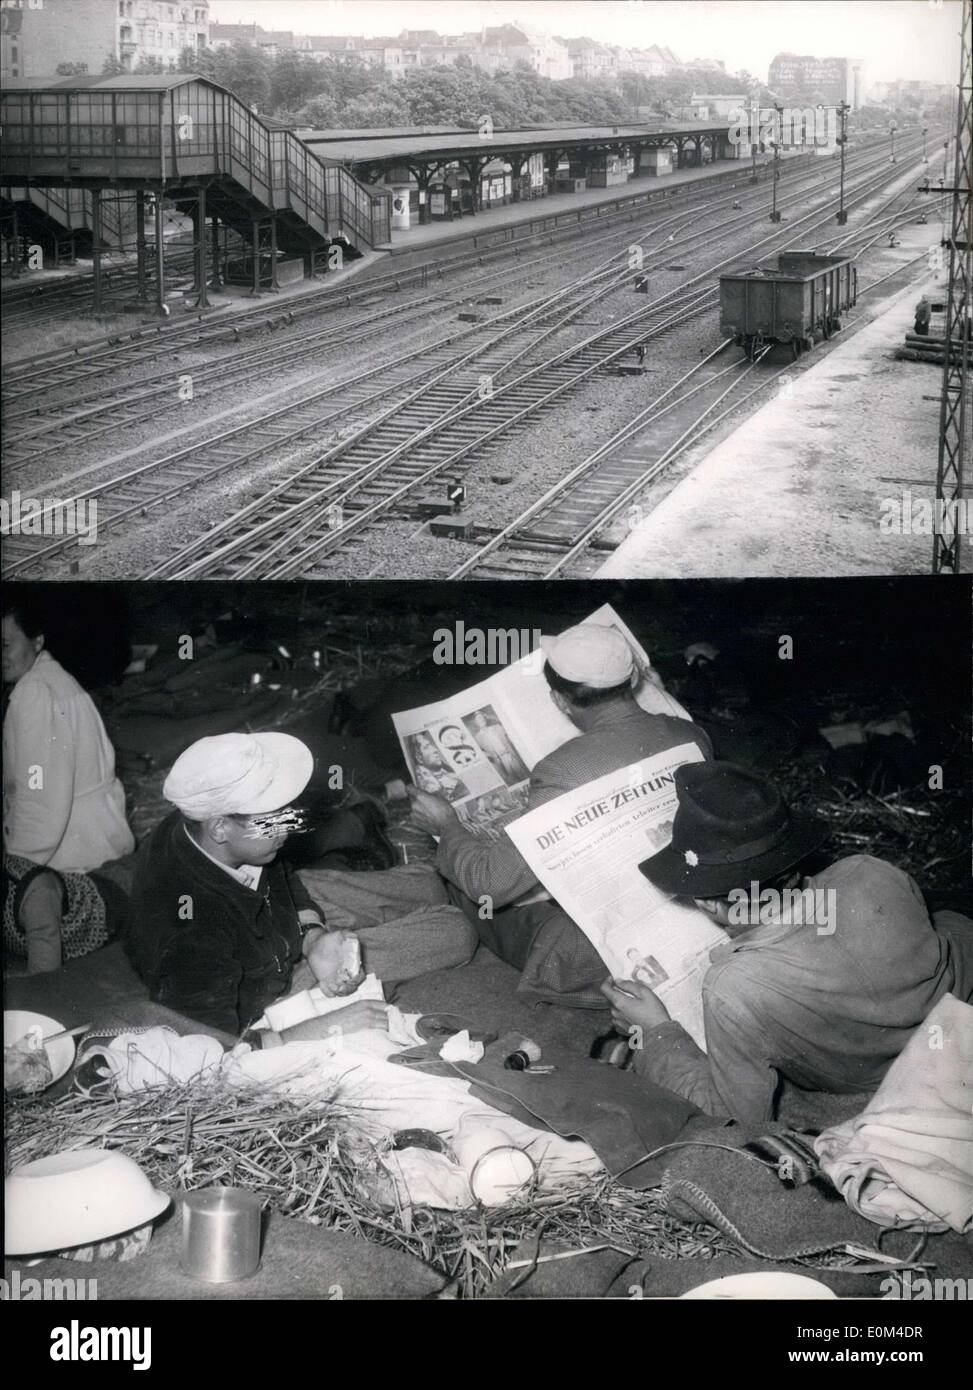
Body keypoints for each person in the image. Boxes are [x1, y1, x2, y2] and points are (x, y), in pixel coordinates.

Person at [604, 762, 973, 1126]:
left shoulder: (733, 988)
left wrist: (656, 1033)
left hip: (899, 1084)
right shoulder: (868, 868)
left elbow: (737, 1119)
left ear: (707, 902)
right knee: (950, 922)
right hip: (957, 1015)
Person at [409, 624, 713, 1005]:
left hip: (614, 949)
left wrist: (448, 827)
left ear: (560, 701)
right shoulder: (691, 734)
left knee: (464, 880)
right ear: (634, 678)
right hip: (696, 912)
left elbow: (489, 884)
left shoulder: (562, 770)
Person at [128, 732, 477, 1037]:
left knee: (429, 884)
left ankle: (331, 936)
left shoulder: (206, 824)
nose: (290, 826)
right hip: (263, 988)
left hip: (272, 920)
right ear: (220, 828)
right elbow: (208, 1045)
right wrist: (319, 1027)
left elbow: (285, 879)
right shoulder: (190, 936)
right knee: (456, 931)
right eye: (275, 820)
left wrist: (312, 935)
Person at [3, 601, 135, 969]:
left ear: (38, 641)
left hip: (72, 853)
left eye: (5, 645)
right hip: (99, 836)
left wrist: (17, 868)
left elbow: (40, 794)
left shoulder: (33, 694)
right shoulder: (56, 679)